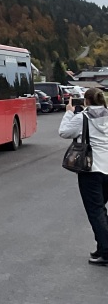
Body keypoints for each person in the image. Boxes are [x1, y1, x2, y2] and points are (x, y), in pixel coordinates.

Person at [59, 88, 108, 266]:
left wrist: (69, 114)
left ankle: (106, 252)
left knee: (95, 212)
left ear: (86, 101)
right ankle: (103, 247)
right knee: (100, 210)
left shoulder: (82, 118)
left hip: (91, 169)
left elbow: (64, 132)